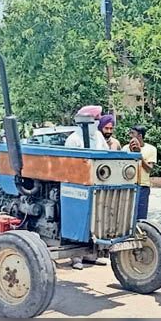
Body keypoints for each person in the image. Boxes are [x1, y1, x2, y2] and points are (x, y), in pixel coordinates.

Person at [64, 105, 108, 268]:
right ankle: (76, 257)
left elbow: (106, 155)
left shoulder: (98, 136)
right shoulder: (74, 139)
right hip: (78, 186)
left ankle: (92, 254)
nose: (97, 122)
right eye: (95, 119)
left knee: (94, 221)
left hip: (97, 184)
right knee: (77, 220)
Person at [122, 125, 157, 221]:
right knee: (126, 215)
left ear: (140, 136)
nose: (130, 136)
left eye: (132, 133)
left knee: (140, 217)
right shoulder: (125, 148)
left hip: (142, 186)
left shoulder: (151, 149)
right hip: (127, 185)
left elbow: (149, 169)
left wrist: (139, 155)